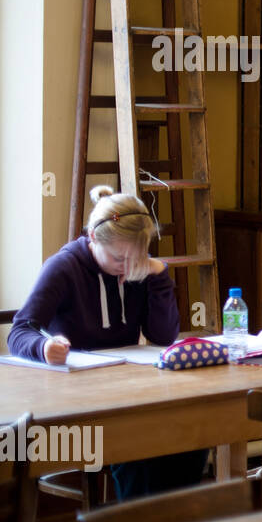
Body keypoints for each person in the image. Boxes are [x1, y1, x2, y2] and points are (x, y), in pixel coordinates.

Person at [6, 185, 209, 500]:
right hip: (81, 393)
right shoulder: (64, 267)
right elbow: (20, 330)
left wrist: (158, 278)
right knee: (136, 442)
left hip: (127, 385)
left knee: (191, 435)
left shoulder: (139, 270)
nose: (127, 265)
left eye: (137, 256)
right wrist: (44, 348)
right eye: (118, 258)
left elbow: (163, 336)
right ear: (92, 239)